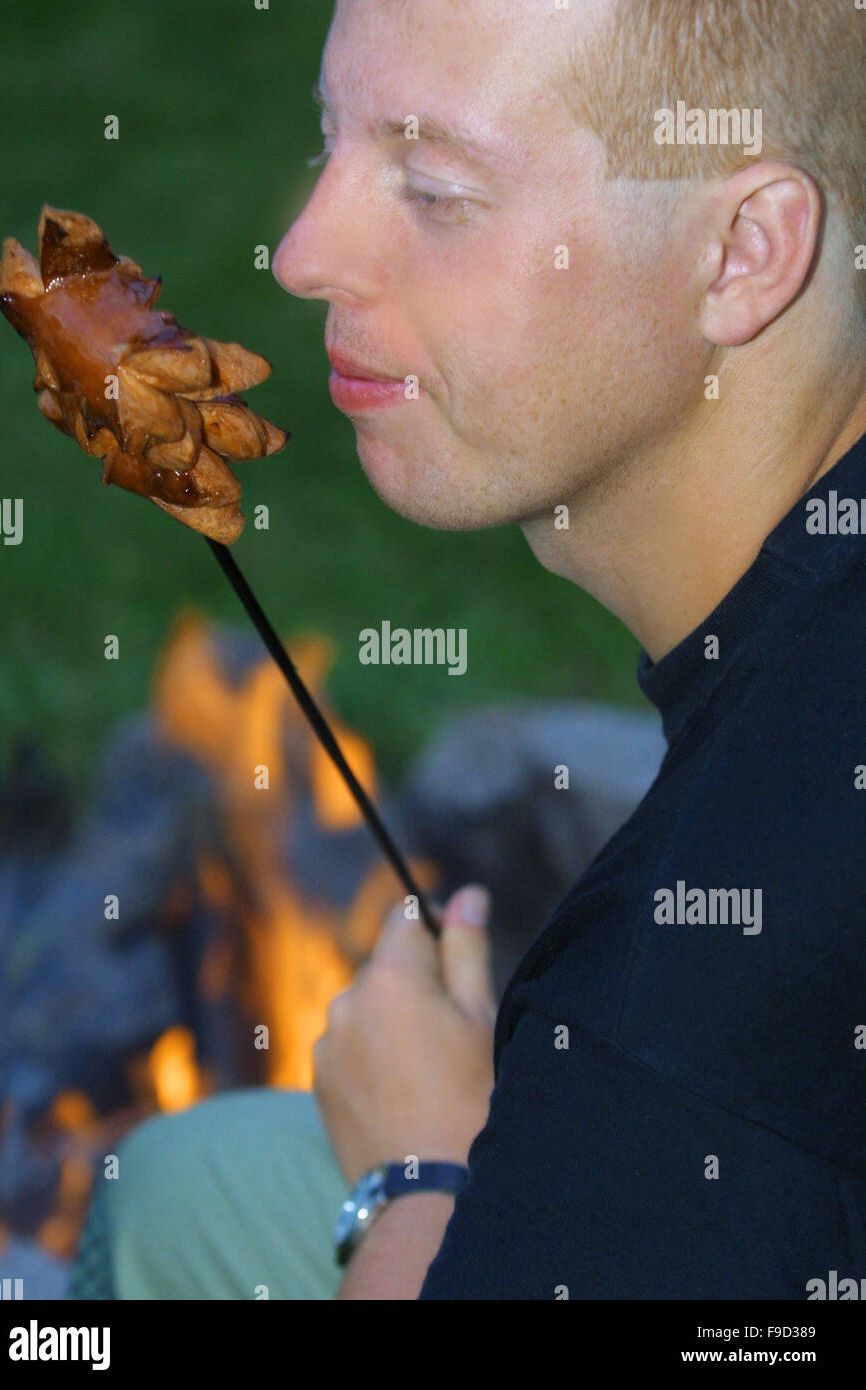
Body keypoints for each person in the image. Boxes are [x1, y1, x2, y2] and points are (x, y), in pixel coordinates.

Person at [68, 0, 866, 1299]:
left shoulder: (685, 1013)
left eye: (435, 189)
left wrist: (419, 1180)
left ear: (741, 251)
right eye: (332, 136)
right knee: (189, 1183)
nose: (303, 253)